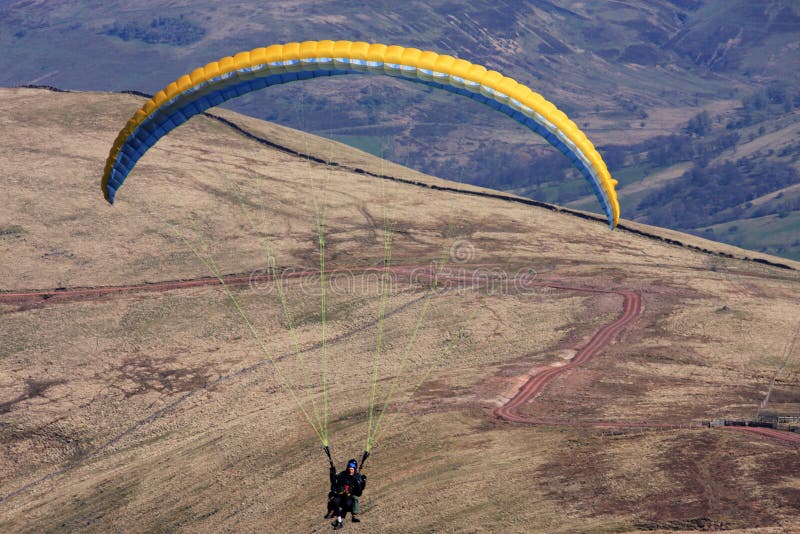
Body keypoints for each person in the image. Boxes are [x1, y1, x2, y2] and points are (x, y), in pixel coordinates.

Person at [327, 458, 366, 529]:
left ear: (355, 469)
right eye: (349, 468)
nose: (350, 470)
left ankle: (340, 521)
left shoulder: (357, 477)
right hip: (341, 495)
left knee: (347, 504)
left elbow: (359, 492)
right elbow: (334, 481)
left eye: (352, 469)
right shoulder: (343, 474)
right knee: (335, 501)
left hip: (350, 498)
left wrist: (362, 482)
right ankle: (339, 521)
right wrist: (332, 472)